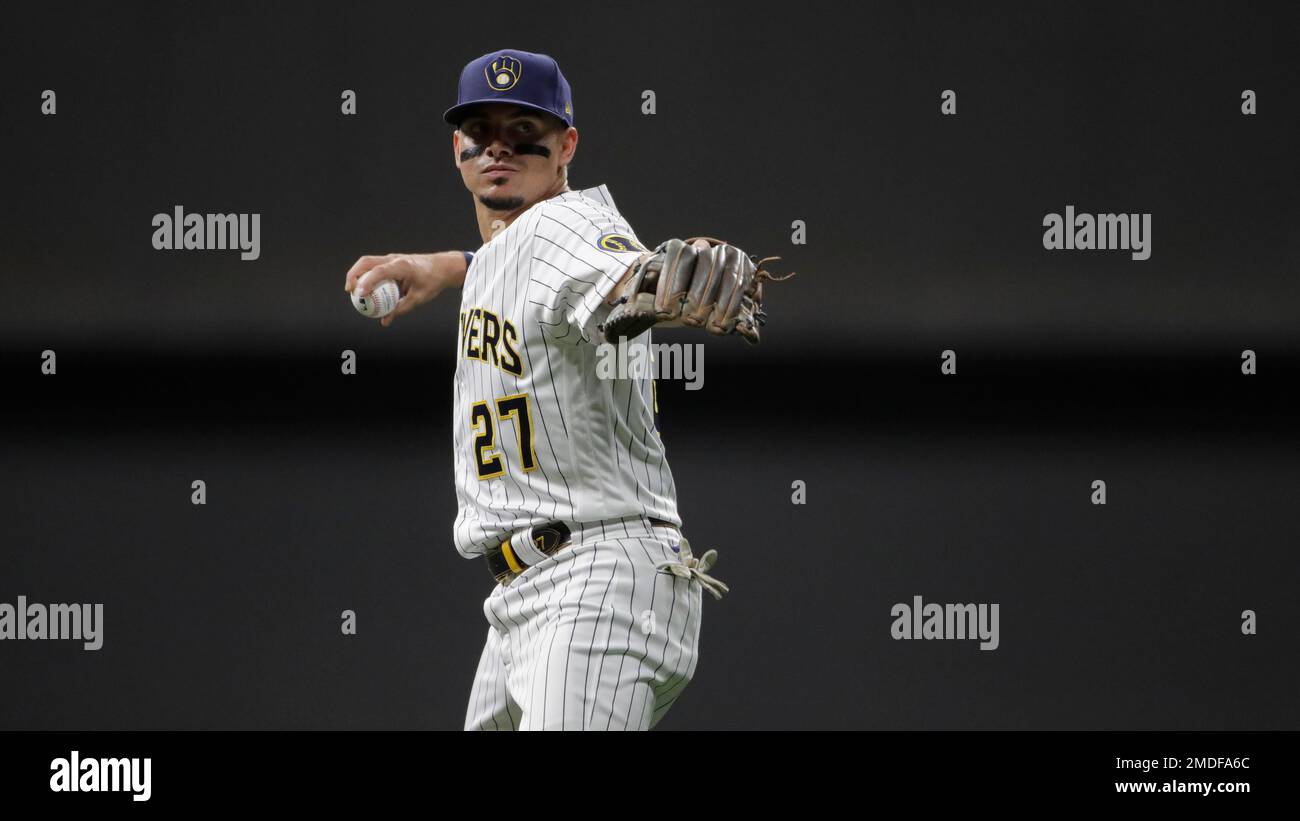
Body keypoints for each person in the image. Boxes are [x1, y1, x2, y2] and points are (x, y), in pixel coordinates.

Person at [344, 49, 772, 730]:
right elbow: (515, 263)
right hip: (530, 594)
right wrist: (444, 265)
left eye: (523, 131)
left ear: (566, 144)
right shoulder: (511, 249)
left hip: (594, 579)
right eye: (479, 131)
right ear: (456, 147)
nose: (498, 147)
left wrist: (662, 286)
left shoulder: (565, 226)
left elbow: (610, 277)